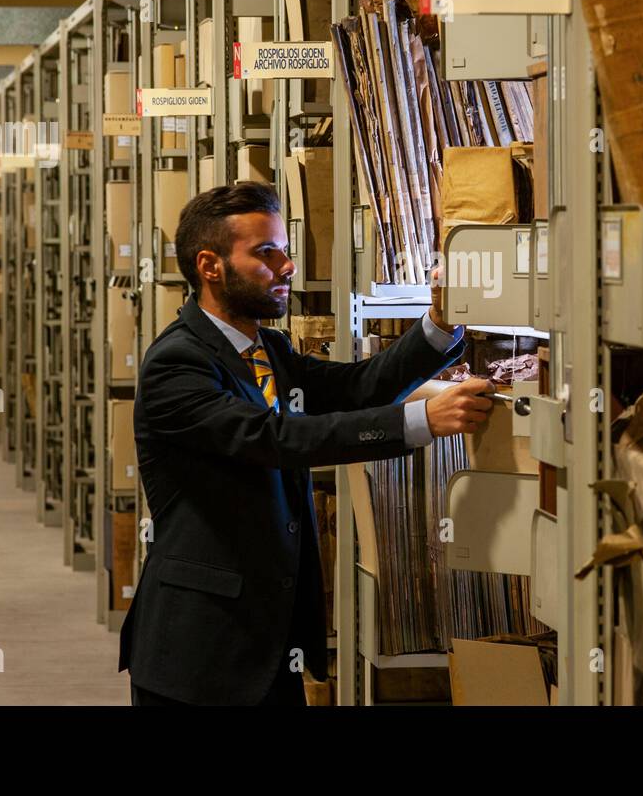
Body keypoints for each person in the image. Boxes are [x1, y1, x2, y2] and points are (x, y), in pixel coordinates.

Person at [118, 182, 493, 705]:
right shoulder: (176, 365)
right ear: (209, 265)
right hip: (201, 651)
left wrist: (439, 321)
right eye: (266, 253)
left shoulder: (266, 346)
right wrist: (421, 421)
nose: (288, 267)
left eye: (285, 250)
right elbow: (273, 438)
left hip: (270, 642)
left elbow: (355, 388)